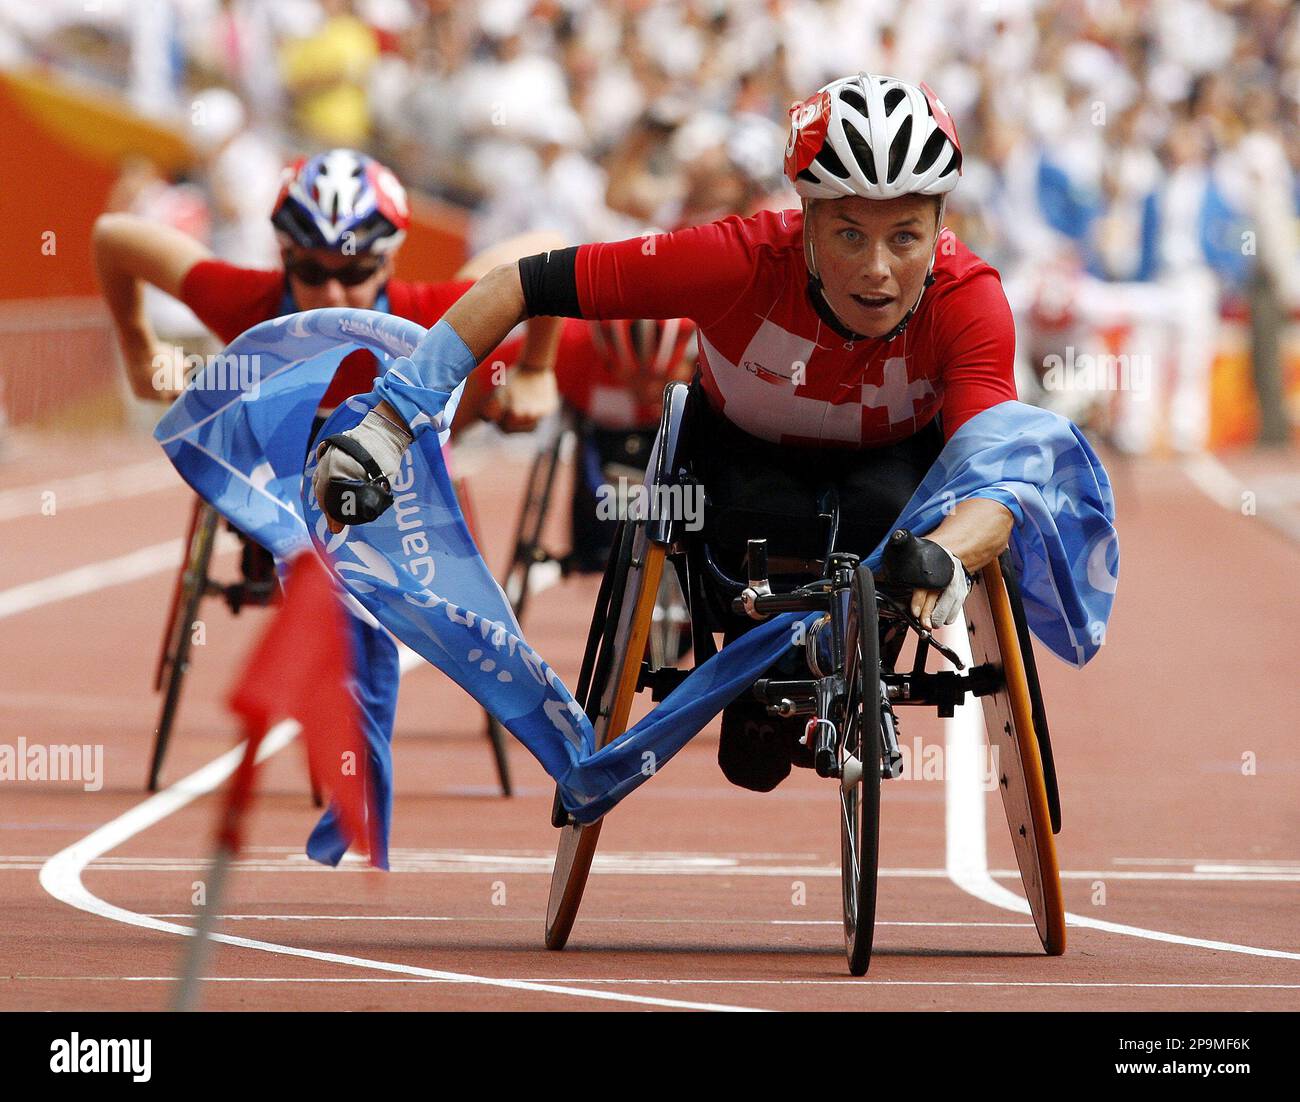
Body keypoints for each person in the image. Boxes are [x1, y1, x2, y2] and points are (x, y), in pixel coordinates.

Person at [313, 74, 1021, 793]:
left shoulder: (971, 301)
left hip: (893, 471)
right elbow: (518, 284)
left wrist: (944, 554)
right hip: (741, 467)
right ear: (804, 219)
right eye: (848, 234)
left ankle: (859, 658)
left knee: (897, 515)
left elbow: (995, 485)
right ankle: (758, 670)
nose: (877, 270)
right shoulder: (733, 259)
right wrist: (388, 424)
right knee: (754, 516)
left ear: (939, 226)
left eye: (905, 237)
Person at [93, 148, 560, 860]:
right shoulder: (248, 301)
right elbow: (113, 237)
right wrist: (138, 350)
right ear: (284, 257)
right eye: (310, 271)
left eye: (353, 271)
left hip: (404, 521)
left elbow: (543, 257)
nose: (330, 288)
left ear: (391, 260)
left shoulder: (430, 313)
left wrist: (538, 371)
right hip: (278, 521)